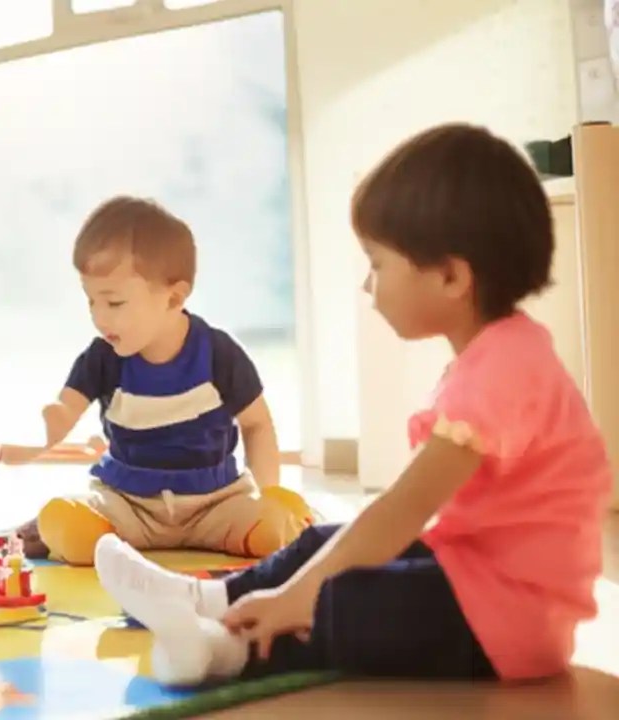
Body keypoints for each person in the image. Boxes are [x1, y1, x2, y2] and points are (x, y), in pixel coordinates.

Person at [95, 123, 611, 686]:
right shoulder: (500, 352)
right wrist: (299, 583)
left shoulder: (503, 369)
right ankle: (207, 598)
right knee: (324, 541)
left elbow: (402, 510)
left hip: (510, 622)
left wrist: (295, 598)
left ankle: (226, 648)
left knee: (349, 595)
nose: (369, 285)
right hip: (480, 574)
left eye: (378, 263)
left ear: (450, 276)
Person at [0, 196, 312, 566]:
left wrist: (269, 491)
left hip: (215, 503)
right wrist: (35, 436)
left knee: (274, 526)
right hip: (129, 504)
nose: (100, 318)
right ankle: (65, 531)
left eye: (113, 303)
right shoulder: (103, 358)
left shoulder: (218, 354)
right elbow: (64, 409)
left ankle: (284, 518)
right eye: (91, 302)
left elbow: (257, 425)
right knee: (68, 518)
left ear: (174, 297)